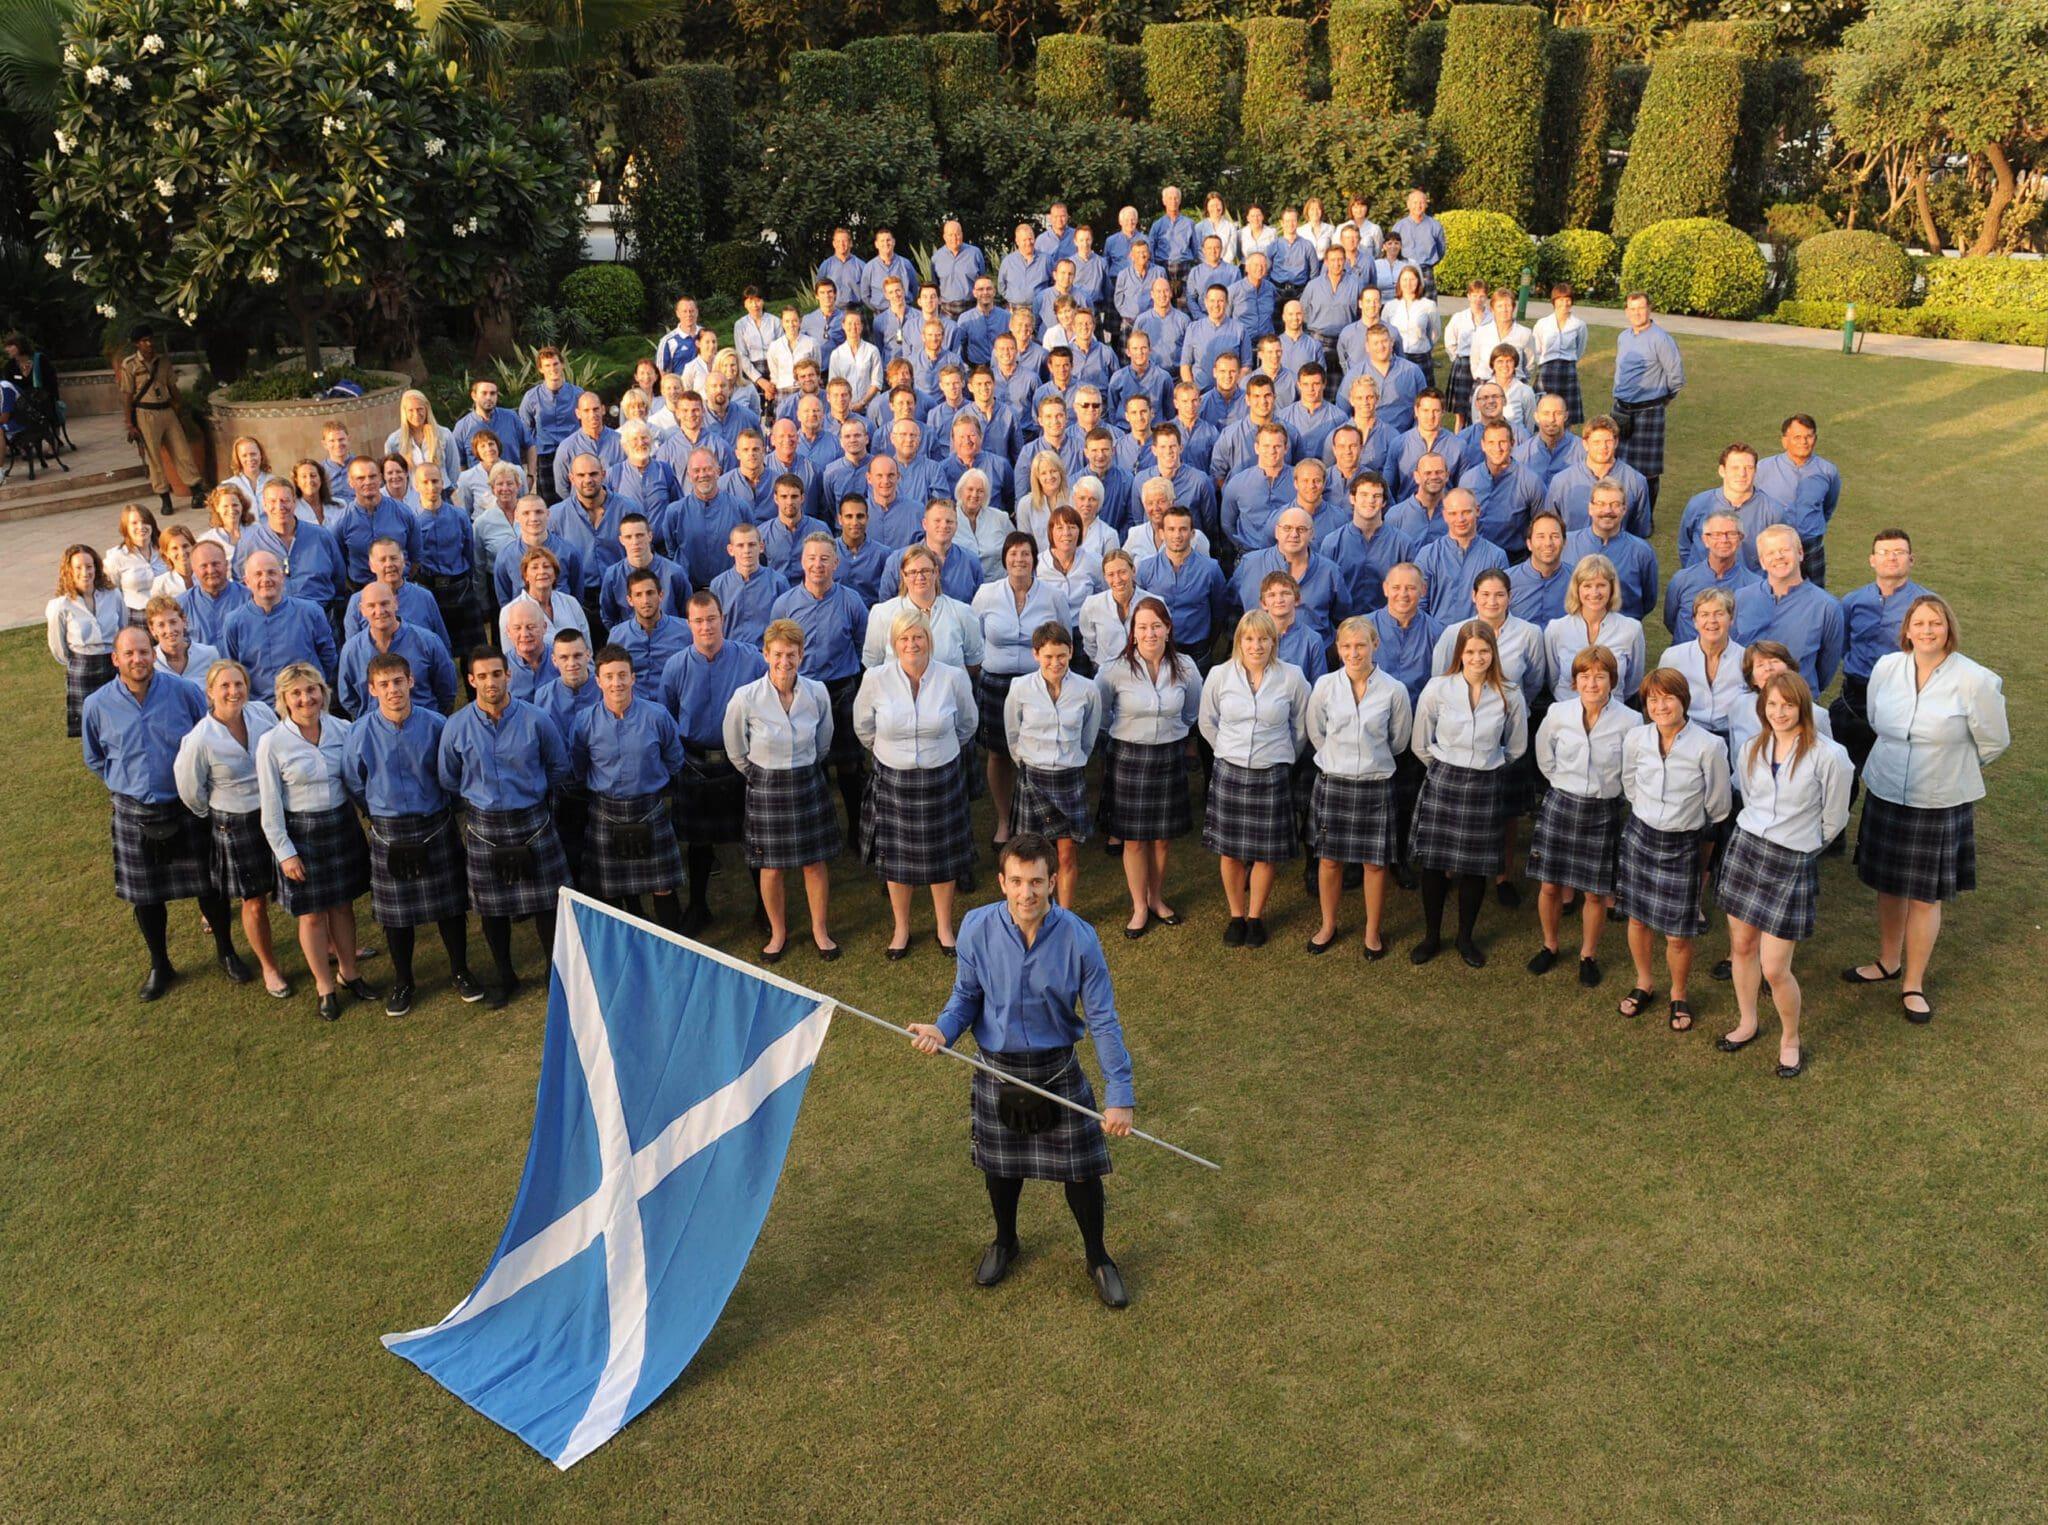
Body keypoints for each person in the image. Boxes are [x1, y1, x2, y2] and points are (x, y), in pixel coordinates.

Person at [905, 833, 1136, 1308]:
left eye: (1036, 882)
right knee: (1001, 1168)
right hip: (999, 1070)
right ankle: (1005, 1240)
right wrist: (944, 1031)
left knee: (1081, 1174)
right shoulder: (975, 928)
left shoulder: (1080, 938)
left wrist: (1120, 1094)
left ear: (1053, 881)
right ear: (1002, 882)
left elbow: (1103, 1020)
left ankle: (1098, 1256)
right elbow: (967, 997)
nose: (1026, 893)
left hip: (1057, 1071)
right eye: (1016, 881)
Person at [1846, 595, 2007, 1023]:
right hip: (1886, 788)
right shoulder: (1886, 668)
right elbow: (1878, 720)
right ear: (1908, 630)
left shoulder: (1975, 679)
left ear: (1948, 628)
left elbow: (1994, 741)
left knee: (1923, 894)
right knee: (1888, 883)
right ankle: (1887, 960)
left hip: (1938, 799)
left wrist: (1949, 766)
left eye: (1935, 623)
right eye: (1919, 623)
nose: (1927, 631)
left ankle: (1912, 981)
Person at [83, 628, 247, 999]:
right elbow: (94, 758)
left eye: (144, 652)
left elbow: (207, 737)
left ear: (152, 654)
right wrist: (125, 781)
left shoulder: (184, 692)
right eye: (130, 653)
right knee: (146, 896)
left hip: (185, 805)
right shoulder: (97, 704)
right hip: (134, 812)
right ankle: (160, 964)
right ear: (116, 659)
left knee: (209, 885)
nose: (138, 659)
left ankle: (227, 952)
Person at [1717, 673, 1853, 1077]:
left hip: (1792, 859)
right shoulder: (1751, 748)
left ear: (1802, 708)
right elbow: (1746, 794)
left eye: (1787, 705)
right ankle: (1748, 1021)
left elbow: (1835, 820)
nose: (1779, 713)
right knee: (1741, 947)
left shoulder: (1830, 756)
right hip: (1747, 850)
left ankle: (1790, 1038)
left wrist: (1804, 846)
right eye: (1772, 705)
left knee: (1775, 967)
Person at [338, 652, 480, 1016]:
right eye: (383, 684)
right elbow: (354, 782)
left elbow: (451, 774)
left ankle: (461, 971)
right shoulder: (359, 732)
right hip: (389, 831)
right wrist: (376, 812)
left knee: (450, 907)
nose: (392, 690)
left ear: (411, 681)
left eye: (398, 681)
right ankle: (404, 981)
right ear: (371, 689)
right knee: (396, 917)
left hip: (434, 824)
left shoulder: (436, 725)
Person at [439, 647, 570, 1006]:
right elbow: (449, 778)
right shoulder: (456, 726)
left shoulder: (537, 719)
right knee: (491, 908)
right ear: (471, 680)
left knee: (547, 903)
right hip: (484, 826)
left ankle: (553, 971)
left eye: (496, 674)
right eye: (481, 676)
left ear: (508, 675)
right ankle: (505, 975)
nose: (490, 682)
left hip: (532, 819)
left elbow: (558, 766)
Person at [255, 661, 375, 1021]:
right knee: (310, 916)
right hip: (301, 834)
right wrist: (285, 853)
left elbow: (357, 781)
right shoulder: (272, 743)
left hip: (341, 825)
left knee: (342, 906)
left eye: (312, 690)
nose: (306, 698)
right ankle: (324, 987)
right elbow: (270, 804)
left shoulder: (344, 729)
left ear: (323, 693)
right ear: (284, 699)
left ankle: (349, 973)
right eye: (297, 693)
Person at [854, 608, 978, 957]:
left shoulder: (953, 678)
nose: (912, 644)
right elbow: (864, 728)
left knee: (943, 857)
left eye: (918, 637)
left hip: (941, 777)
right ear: (894, 644)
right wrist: (892, 751)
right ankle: (901, 929)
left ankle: (944, 927)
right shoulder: (875, 679)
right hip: (894, 779)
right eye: (904, 638)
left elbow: (967, 724)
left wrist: (938, 750)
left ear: (929, 640)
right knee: (898, 860)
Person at [1615, 668, 1732, 1031]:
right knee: (1636, 918)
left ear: (1684, 700)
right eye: (1653, 699)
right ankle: (1644, 982)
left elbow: (1719, 804)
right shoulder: (1635, 738)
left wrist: (1684, 821)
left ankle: (1679, 993)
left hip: (1682, 843)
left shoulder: (1709, 745)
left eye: (1668, 697)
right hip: (1639, 835)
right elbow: (1629, 782)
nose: (1660, 706)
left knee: (1677, 933)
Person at [1408, 620, 1528, 967]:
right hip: (1443, 780)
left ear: (1494, 653)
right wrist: (1447, 765)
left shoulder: (1510, 693)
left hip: (1485, 784)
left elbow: (1516, 747)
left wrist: (1486, 764)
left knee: (1475, 869)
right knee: (1433, 864)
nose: (1477, 658)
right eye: (1471, 651)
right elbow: (1421, 742)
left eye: (1484, 651)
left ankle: (1465, 938)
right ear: (1460, 653)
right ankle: (1431, 936)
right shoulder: (1438, 688)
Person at [721, 619, 841, 962]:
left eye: (791, 654)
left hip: (806, 781)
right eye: (777, 654)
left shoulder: (817, 692)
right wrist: (760, 776)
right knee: (770, 867)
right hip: (766, 787)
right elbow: (735, 750)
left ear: (801, 655)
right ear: (765, 654)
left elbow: (823, 742)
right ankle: (778, 933)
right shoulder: (745, 698)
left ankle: (820, 931)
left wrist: (803, 767)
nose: (784, 662)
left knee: (814, 863)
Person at [174, 657, 292, 997]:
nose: (233, 691)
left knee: (301, 885)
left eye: (238, 684)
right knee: (254, 900)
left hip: (275, 811)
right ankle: (269, 967)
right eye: (224, 685)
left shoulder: (262, 714)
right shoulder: (199, 738)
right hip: (235, 822)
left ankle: (326, 946)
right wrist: (217, 810)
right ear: (209, 692)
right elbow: (189, 790)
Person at [1199, 609, 1311, 949]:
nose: (1256, 645)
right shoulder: (1219, 675)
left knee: (1266, 853)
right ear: (1239, 641)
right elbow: (1207, 721)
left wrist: (1280, 755)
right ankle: (1236, 915)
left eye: (1264, 638)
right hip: (1230, 771)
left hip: (1272, 772)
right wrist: (1227, 751)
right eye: (1249, 638)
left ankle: (1256, 916)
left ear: (1273, 642)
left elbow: (1301, 727)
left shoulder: (1292, 677)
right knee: (1230, 851)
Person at [659, 591, 768, 934]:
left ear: (723, 618)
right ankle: (698, 904)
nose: (706, 626)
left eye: (712, 619)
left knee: (752, 838)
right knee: (698, 841)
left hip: (739, 759)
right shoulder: (675, 666)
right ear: (688, 623)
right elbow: (669, 713)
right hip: (694, 763)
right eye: (698, 620)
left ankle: (764, 907)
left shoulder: (751, 659)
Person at [1525, 644, 1634, 986]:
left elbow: (1631, 769)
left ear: (1612, 681)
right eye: (1584, 676)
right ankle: (1550, 944)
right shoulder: (1558, 713)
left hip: (1602, 810)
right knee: (1549, 884)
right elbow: (1544, 755)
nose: (1591, 683)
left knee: (1595, 892)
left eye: (1600, 676)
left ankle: (1588, 953)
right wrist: (1559, 780)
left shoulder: (1631, 721)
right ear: (1574, 682)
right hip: (1561, 802)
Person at [1303, 617, 1412, 958]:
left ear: (1374, 645)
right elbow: (1316, 733)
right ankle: (1328, 925)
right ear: (1338, 649)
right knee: (1330, 861)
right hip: (1333, 782)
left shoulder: (1394, 690)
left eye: (1361, 645)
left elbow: (1398, 741)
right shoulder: (1324, 686)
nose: (1354, 652)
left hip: (1374, 784)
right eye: (1346, 646)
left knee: (1374, 864)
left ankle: (1372, 932)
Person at [572, 643, 689, 933]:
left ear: (633, 677)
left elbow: (674, 758)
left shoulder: (657, 715)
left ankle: (672, 946)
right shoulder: (584, 722)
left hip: (649, 808)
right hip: (606, 811)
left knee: (662, 886)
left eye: (622, 675)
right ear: (597, 680)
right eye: (609, 676)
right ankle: (622, 947)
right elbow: (578, 765)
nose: (616, 683)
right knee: (609, 890)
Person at [973, 533, 1073, 846]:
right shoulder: (986, 594)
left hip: (1038, 686)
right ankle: (1004, 819)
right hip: (997, 683)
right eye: (1014, 554)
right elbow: (975, 641)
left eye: (1026, 554)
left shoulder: (1052, 596)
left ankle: (1035, 821)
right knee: (1000, 754)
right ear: (1004, 558)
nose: (1020, 560)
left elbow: (1065, 638)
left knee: (1035, 753)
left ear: (1035, 558)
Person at [1004, 622, 1103, 908]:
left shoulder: (1088, 690)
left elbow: (1089, 737)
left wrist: (1072, 760)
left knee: (1067, 854)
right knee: (1028, 856)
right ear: (1036, 655)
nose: (1055, 663)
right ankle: (1032, 908)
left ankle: (1064, 914)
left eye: (1061, 655)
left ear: (1071, 652)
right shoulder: (1020, 688)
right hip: (1033, 777)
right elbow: (1013, 734)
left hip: (1069, 778)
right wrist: (1026, 761)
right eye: (1048, 657)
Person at [1831, 528, 1931, 776]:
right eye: (1884, 552)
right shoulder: (1852, 601)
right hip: (1855, 696)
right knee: (1842, 772)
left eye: (1899, 552)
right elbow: (1841, 646)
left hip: (1902, 696)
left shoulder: (1927, 604)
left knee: (1894, 776)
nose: (1891, 558)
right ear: (1872, 560)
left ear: (1911, 559)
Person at [1733, 526, 1845, 697]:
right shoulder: (1741, 598)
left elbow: (1827, 668)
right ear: (1762, 562)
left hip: (1797, 703)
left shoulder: (1827, 607)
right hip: (1748, 702)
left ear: (1800, 553)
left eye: (1785, 550)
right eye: (1770, 553)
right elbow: (1733, 650)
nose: (1778, 556)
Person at [222, 550, 338, 701]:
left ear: (282, 576)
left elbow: (328, 658)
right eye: (258, 574)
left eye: (272, 572)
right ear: (247, 582)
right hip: (262, 711)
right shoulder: (234, 622)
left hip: (307, 704)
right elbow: (233, 669)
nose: (266, 579)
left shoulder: (310, 612)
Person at [1610, 293, 1685, 521]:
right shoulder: (1623, 337)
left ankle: (1645, 518)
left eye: (1641, 308)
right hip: (1621, 409)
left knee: (1648, 471)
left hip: (1649, 410)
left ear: (1649, 309)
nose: (1636, 313)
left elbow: (1676, 377)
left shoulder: (1661, 339)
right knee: (1618, 465)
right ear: (1626, 311)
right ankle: (1620, 513)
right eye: (1632, 309)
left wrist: (1662, 400)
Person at [118, 325, 203, 518]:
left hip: (167, 410)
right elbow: (127, 395)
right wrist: (130, 424)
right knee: (154, 458)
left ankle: (196, 491)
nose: (149, 344)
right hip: (145, 413)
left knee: (182, 451)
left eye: (150, 339)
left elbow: (172, 387)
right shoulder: (130, 364)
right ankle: (165, 497)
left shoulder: (163, 361)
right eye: (144, 341)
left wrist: (181, 409)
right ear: (137, 344)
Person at [1543, 555, 1645, 707]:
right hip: (1566, 714)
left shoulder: (1631, 630)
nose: (1594, 592)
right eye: (1587, 586)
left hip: (1613, 714)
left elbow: (1633, 683)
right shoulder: (1556, 629)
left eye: (1601, 585)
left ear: (1612, 588)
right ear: (1577, 589)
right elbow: (1553, 678)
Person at [1755, 414, 1841, 588]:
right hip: (1776, 547)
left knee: (1815, 597)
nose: (1804, 442)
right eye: (1797, 437)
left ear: (1815, 439)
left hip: (1811, 546)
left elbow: (1828, 506)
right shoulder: (1763, 469)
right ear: (1785, 441)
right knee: (1773, 594)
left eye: (1809, 436)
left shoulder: (1828, 471)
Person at [49, 544, 124, 736]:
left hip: (112, 664)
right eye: (79, 568)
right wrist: (77, 662)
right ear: (69, 572)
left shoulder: (113, 595)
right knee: (91, 726)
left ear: (96, 567)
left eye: (89, 566)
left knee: (119, 719)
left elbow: (124, 628)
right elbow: (58, 648)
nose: (85, 572)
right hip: (82, 668)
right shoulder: (60, 605)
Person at [1662, 511, 1760, 644]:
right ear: (1705, 540)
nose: (1724, 540)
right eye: (1717, 534)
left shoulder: (1754, 586)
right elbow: (1670, 620)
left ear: (1740, 539)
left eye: (1731, 534)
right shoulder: (1682, 580)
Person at [1530, 285, 1588, 425]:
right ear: (1554, 301)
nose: (1564, 303)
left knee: (1565, 416)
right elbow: (1536, 348)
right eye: (1560, 300)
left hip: (1568, 372)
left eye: (1568, 299)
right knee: (1545, 411)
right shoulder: (1542, 324)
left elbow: (1580, 349)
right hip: (1547, 371)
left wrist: (1569, 362)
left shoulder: (1579, 325)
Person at [145, 595, 218, 682]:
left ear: (184, 621)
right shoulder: (148, 662)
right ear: (152, 630)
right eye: (161, 625)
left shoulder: (209, 654)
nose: (169, 630)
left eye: (173, 622)